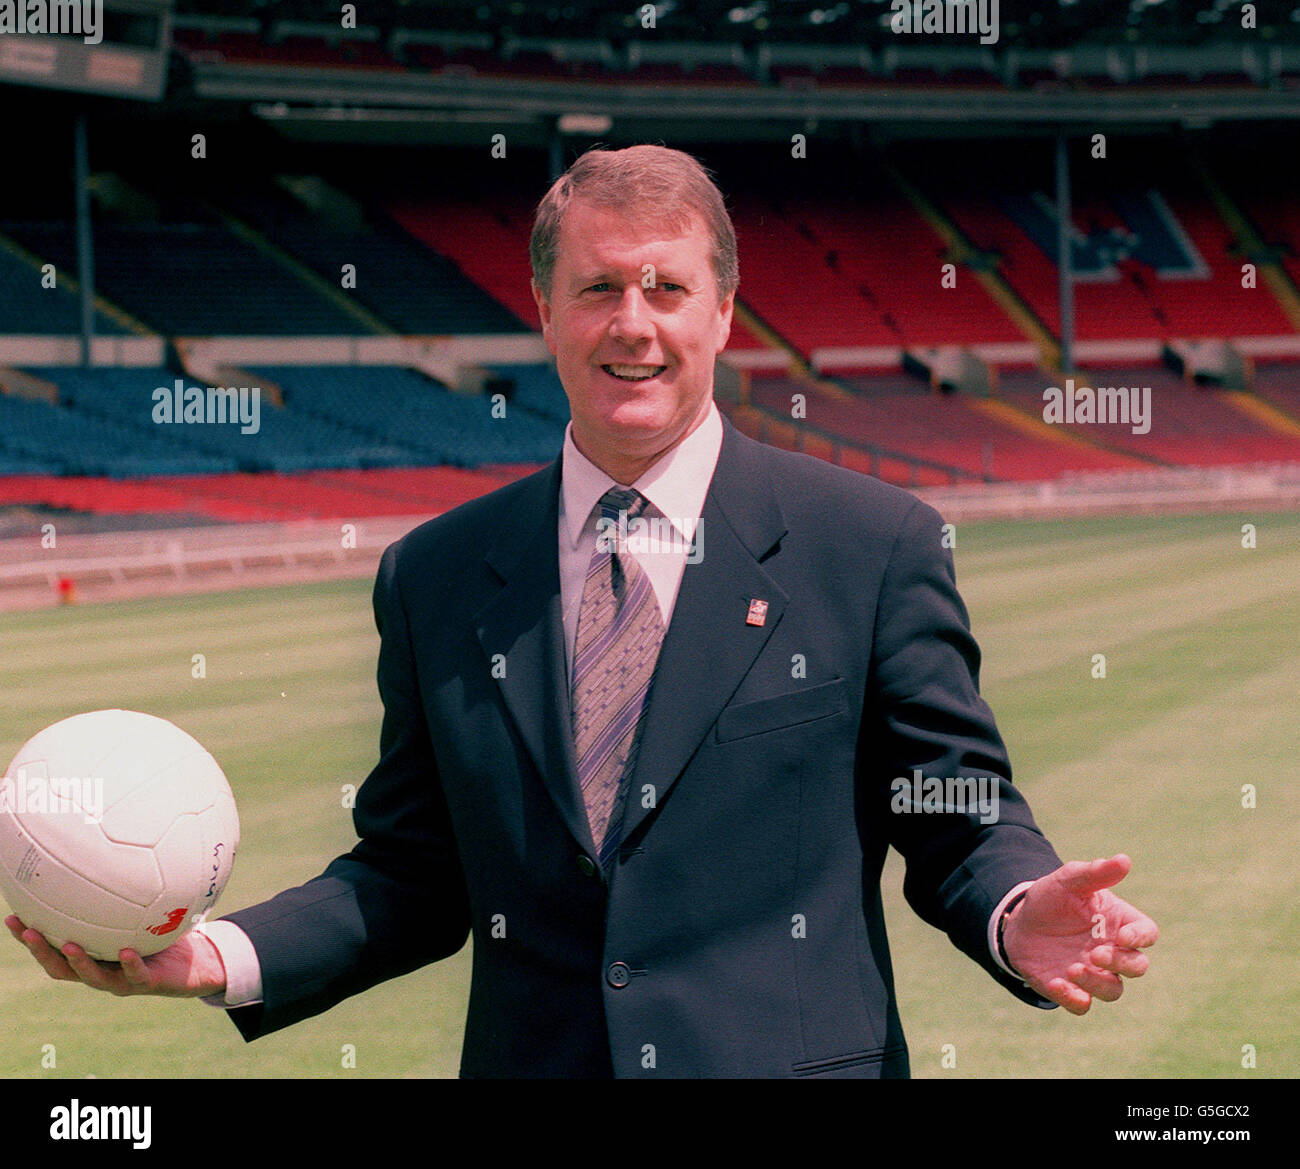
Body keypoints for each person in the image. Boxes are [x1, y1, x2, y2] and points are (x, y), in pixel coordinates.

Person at [7, 144, 1157, 1078]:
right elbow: (411, 872)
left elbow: (948, 805)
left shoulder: (868, 544)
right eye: (599, 287)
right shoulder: (437, 574)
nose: (632, 322)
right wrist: (215, 954)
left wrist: (1014, 904)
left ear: (723, 311)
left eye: (666, 287)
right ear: (545, 311)